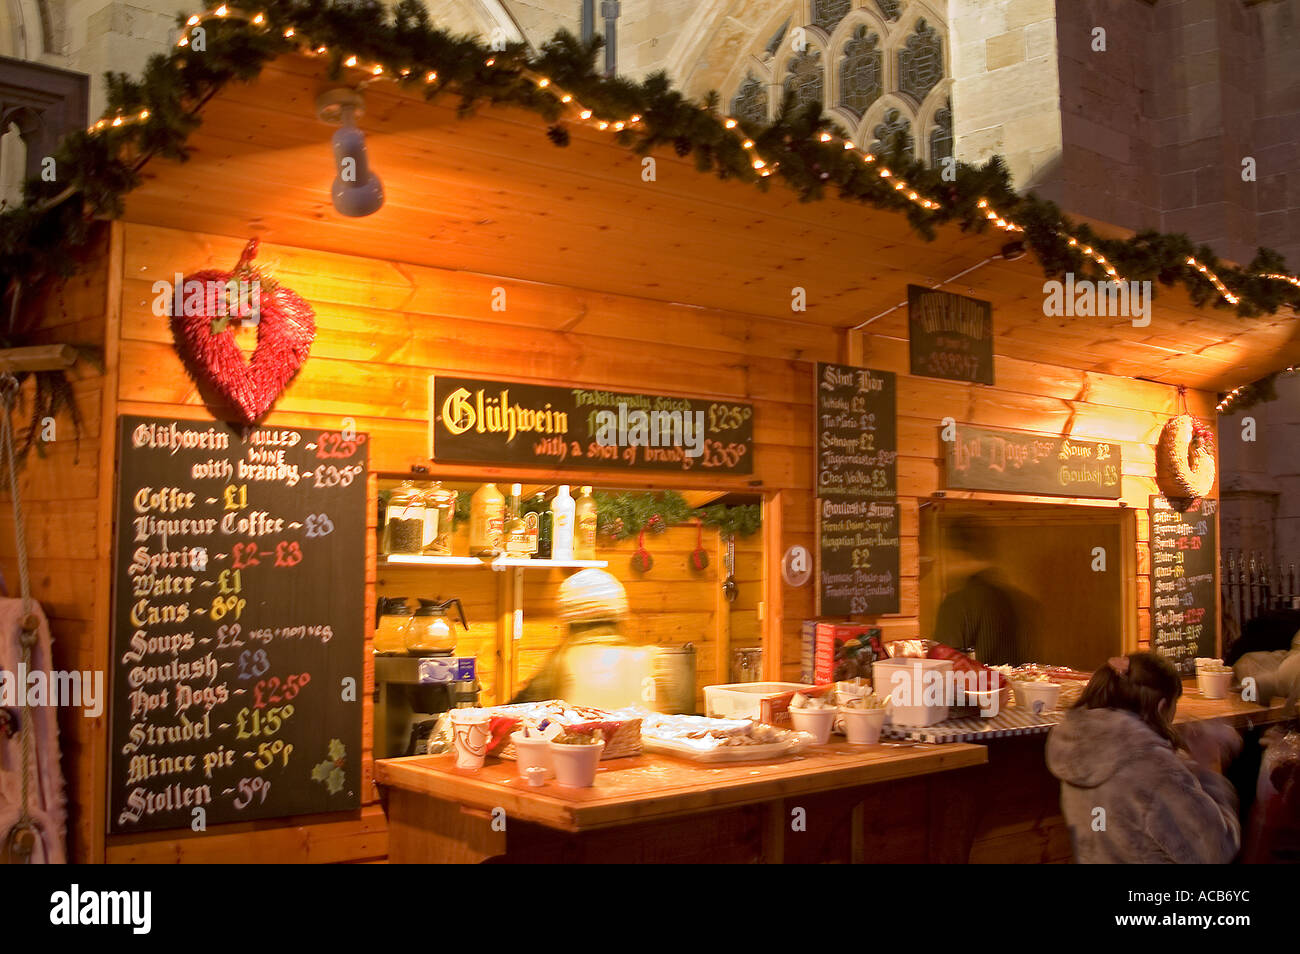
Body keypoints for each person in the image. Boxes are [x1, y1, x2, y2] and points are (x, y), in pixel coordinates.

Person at [1046, 652, 1242, 863]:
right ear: (1161, 707)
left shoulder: (1082, 745)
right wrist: (1206, 767)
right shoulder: (1153, 766)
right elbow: (1218, 849)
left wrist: (1183, 761)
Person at [510, 568, 653, 709]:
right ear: (620, 616)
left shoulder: (559, 664)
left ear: (569, 620)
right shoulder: (650, 659)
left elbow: (513, 714)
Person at [932, 519, 1022, 664]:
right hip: (1011, 685)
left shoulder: (956, 604)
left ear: (957, 554)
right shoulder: (1012, 600)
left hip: (975, 685)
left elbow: (943, 667)